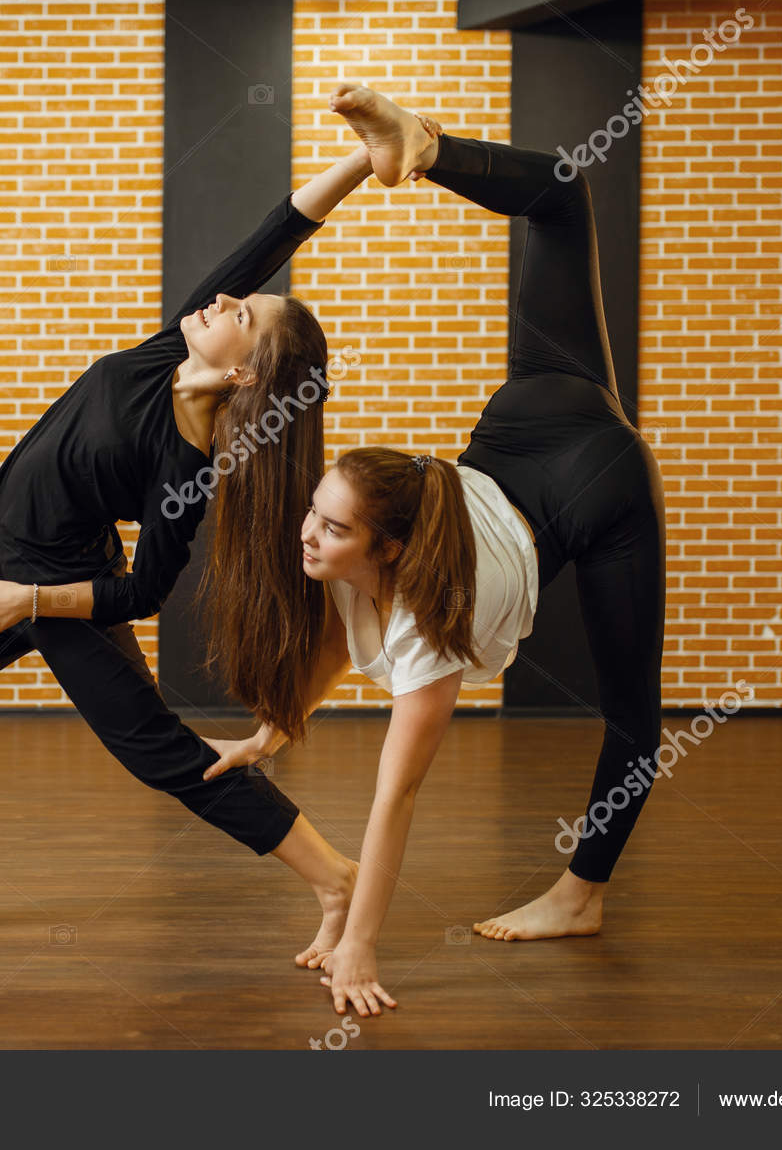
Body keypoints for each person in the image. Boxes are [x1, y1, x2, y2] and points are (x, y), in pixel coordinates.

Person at [0, 142, 385, 956]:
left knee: (159, 753)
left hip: (56, 595)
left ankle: (337, 878)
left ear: (247, 375)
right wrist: (365, 159)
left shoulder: (186, 462)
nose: (224, 300)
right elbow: (278, 231)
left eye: (243, 315)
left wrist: (31, 604)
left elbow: (144, 591)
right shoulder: (167, 356)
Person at [202, 85, 667, 1018]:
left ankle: (580, 897)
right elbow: (337, 644)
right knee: (561, 198)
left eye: (331, 527)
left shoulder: (427, 643)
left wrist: (358, 943)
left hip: (597, 483)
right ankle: (419, 147)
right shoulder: (343, 557)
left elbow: (394, 802)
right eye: (317, 516)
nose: (308, 534)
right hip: (530, 425)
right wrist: (273, 729)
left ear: (388, 546)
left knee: (633, 719)